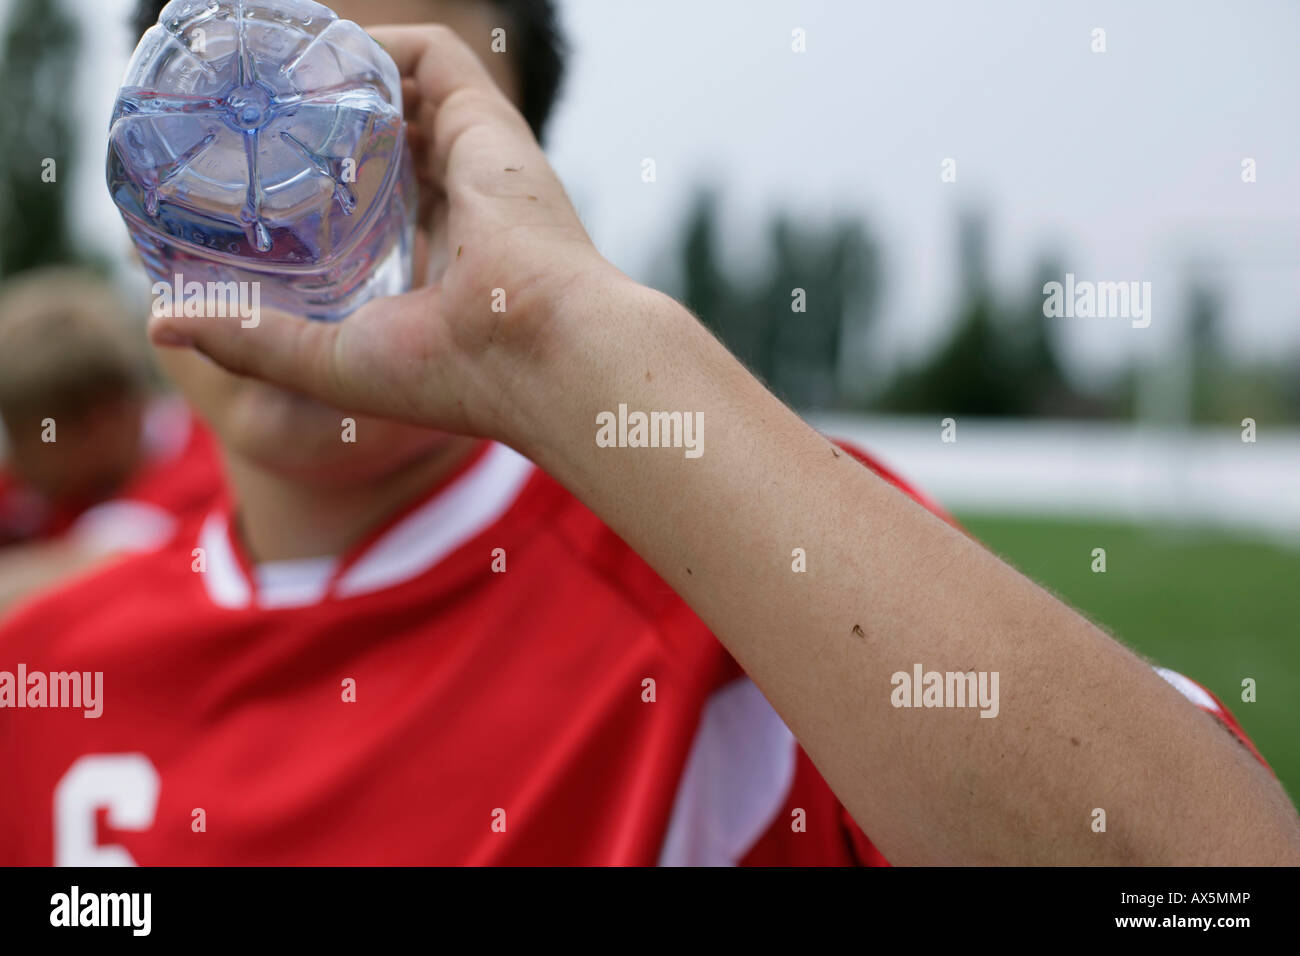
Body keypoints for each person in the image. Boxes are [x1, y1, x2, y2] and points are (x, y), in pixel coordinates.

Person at [0, 0, 1296, 866]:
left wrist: (564, 343)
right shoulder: (42, 671)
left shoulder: (751, 603)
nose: (299, 206)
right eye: (229, 122)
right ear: (142, 177)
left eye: (382, 132)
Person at [0, 268, 220, 613]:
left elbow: (91, 562)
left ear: (100, 422)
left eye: (22, 435)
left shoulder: (205, 479)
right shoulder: (45, 482)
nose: (14, 458)